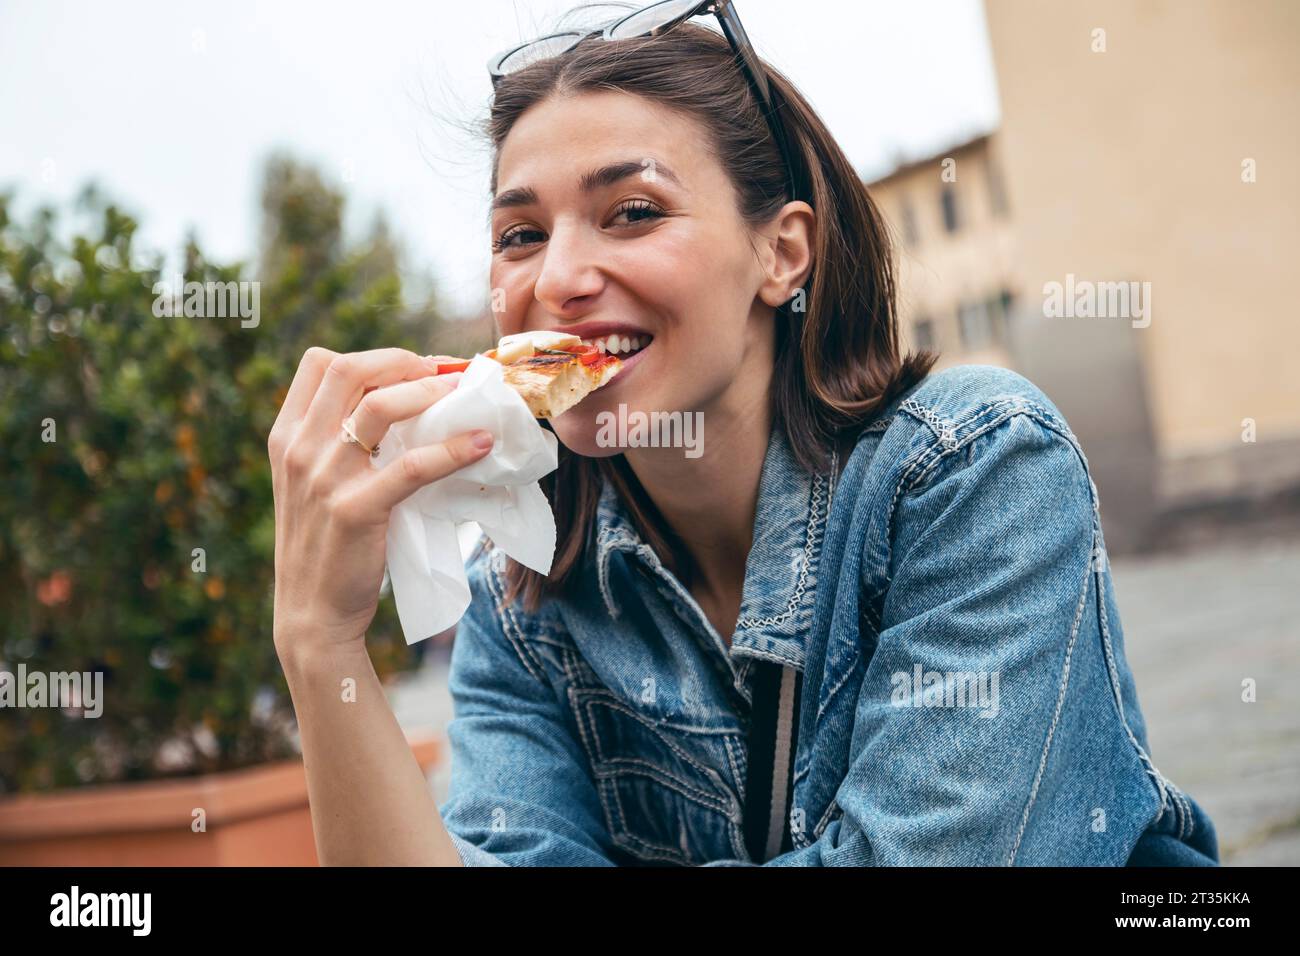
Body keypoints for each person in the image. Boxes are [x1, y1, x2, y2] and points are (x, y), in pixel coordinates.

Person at [267, 2, 1218, 866]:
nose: (554, 279)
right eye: (519, 235)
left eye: (631, 213)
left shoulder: (973, 470)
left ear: (781, 253)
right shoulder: (521, 606)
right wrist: (320, 642)